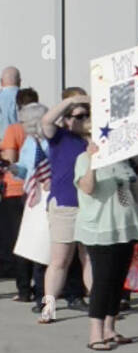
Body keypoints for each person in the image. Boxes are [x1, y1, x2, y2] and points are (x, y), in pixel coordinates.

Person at [73, 141, 138, 349]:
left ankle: (110, 328)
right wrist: (93, 160)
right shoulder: (84, 159)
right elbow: (87, 188)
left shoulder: (123, 160)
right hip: (101, 226)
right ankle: (95, 333)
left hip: (125, 225)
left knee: (118, 280)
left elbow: (133, 188)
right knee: (103, 280)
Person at [37, 91, 93, 323]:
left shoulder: (96, 141)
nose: (79, 120)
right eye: (74, 116)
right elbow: (46, 122)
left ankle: (97, 304)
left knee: (89, 259)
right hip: (65, 206)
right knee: (60, 260)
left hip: (92, 206)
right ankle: (49, 305)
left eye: (84, 115)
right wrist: (72, 101)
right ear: (66, 119)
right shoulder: (60, 137)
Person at [1, 88, 39, 294]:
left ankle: (23, 287)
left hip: (15, 188)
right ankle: (40, 283)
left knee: (19, 240)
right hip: (38, 188)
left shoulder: (15, 129)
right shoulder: (44, 130)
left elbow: (10, 158)